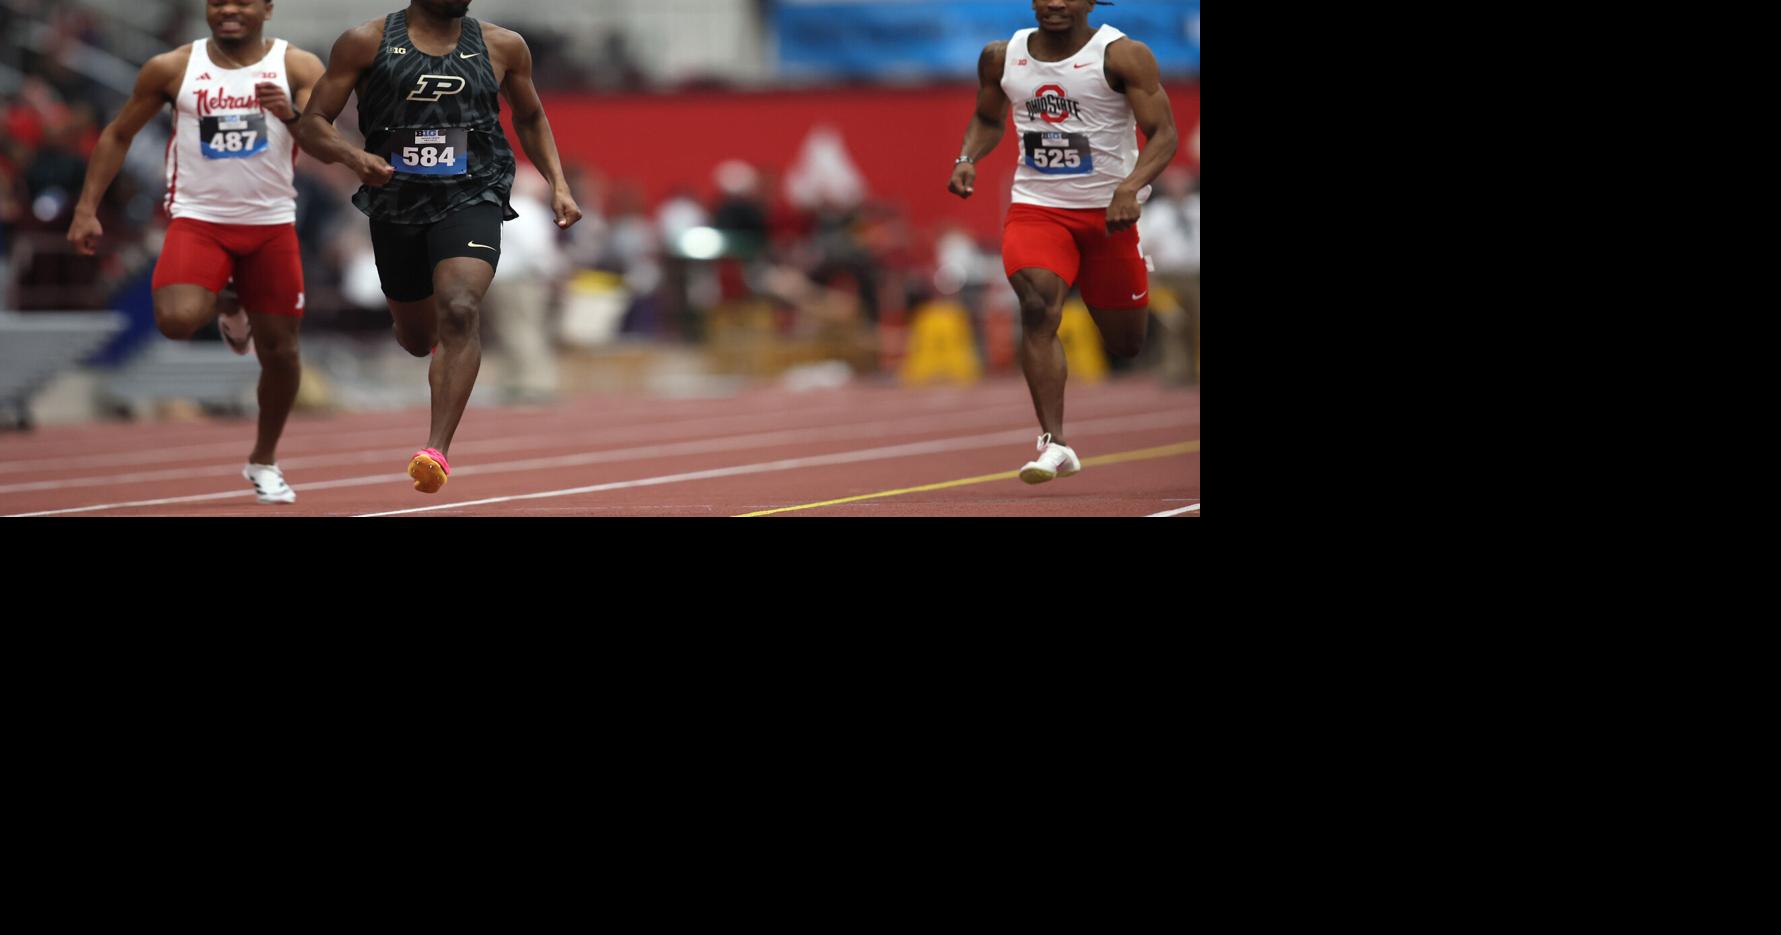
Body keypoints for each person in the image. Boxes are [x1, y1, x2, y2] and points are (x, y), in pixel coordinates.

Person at [293, 0, 582, 493]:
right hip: (396, 204)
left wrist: (558, 183)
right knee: (415, 337)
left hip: (473, 193)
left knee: (462, 307)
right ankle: (422, 331)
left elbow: (531, 116)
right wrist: (353, 158)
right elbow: (313, 122)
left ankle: (436, 450)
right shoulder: (365, 42)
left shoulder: (502, 45)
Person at [67, 0, 323, 505]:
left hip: (270, 225)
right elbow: (119, 133)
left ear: (267, 9)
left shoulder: (297, 65)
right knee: (176, 320)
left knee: (281, 352)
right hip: (199, 219)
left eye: (242, 2)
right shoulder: (172, 67)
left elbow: (321, 141)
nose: (228, 10)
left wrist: (290, 115)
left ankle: (264, 460)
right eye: (217, 2)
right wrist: (86, 208)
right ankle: (231, 300)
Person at [946, 0, 1178, 484]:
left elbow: (1163, 134)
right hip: (1039, 208)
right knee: (1036, 306)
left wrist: (1129, 188)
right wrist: (966, 158)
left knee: (1127, 343)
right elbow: (988, 118)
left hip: (1109, 216)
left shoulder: (1122, 55)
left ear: (1090, 2)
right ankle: (1055, 442)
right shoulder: (1000, 56)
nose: (1054, 2)